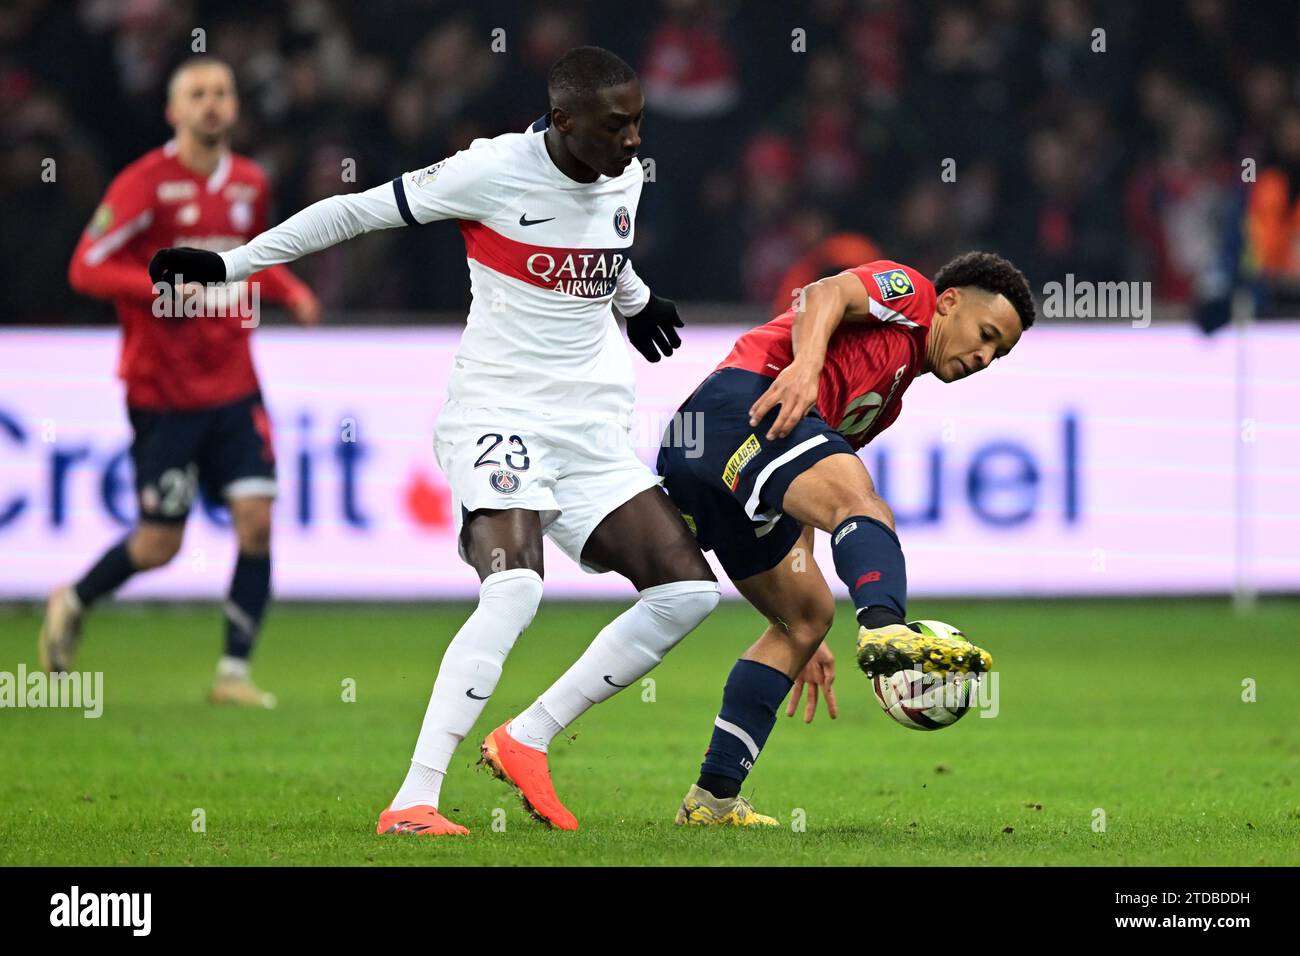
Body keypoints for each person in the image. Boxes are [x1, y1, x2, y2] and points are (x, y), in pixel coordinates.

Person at [149, 46, 720, 836]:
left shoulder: (620, 172)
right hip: (499, 412)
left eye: (639, 124)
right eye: (617, 127)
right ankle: (414, 798)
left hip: (591, 426)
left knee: (687, 592)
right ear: (563, 123)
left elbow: (604, 244)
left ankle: (528, 737)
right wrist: (231, 265)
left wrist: (637, 296)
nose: (634, 143)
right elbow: (353, 211)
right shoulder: (488, 171)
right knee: (517, 587)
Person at [657, 251, 1035, 825]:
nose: (983, 357)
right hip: (743, 405)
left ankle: (712, 800)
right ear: (951, 302)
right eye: (985, 335)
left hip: (720, 449)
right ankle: (886, 629)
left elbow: (805, 492)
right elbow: (821, 294)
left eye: (998, 353)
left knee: (805, 618)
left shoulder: (888, 401)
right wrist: (806, 367)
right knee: (864, 504)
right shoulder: (911, 295)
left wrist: (798, 579)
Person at [42, 57, 321, 708]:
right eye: (197, 94)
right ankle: (74, 597)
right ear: (174, 112)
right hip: (163, 394)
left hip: (234, 387)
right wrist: (163, 287)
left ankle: (233, 674)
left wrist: (291, 289)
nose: (213, 104)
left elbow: (253, 255)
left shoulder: (250, 183)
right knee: (159, 544)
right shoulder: (144, 185)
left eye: (222, 92)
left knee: (256, 520)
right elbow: (85, 268)